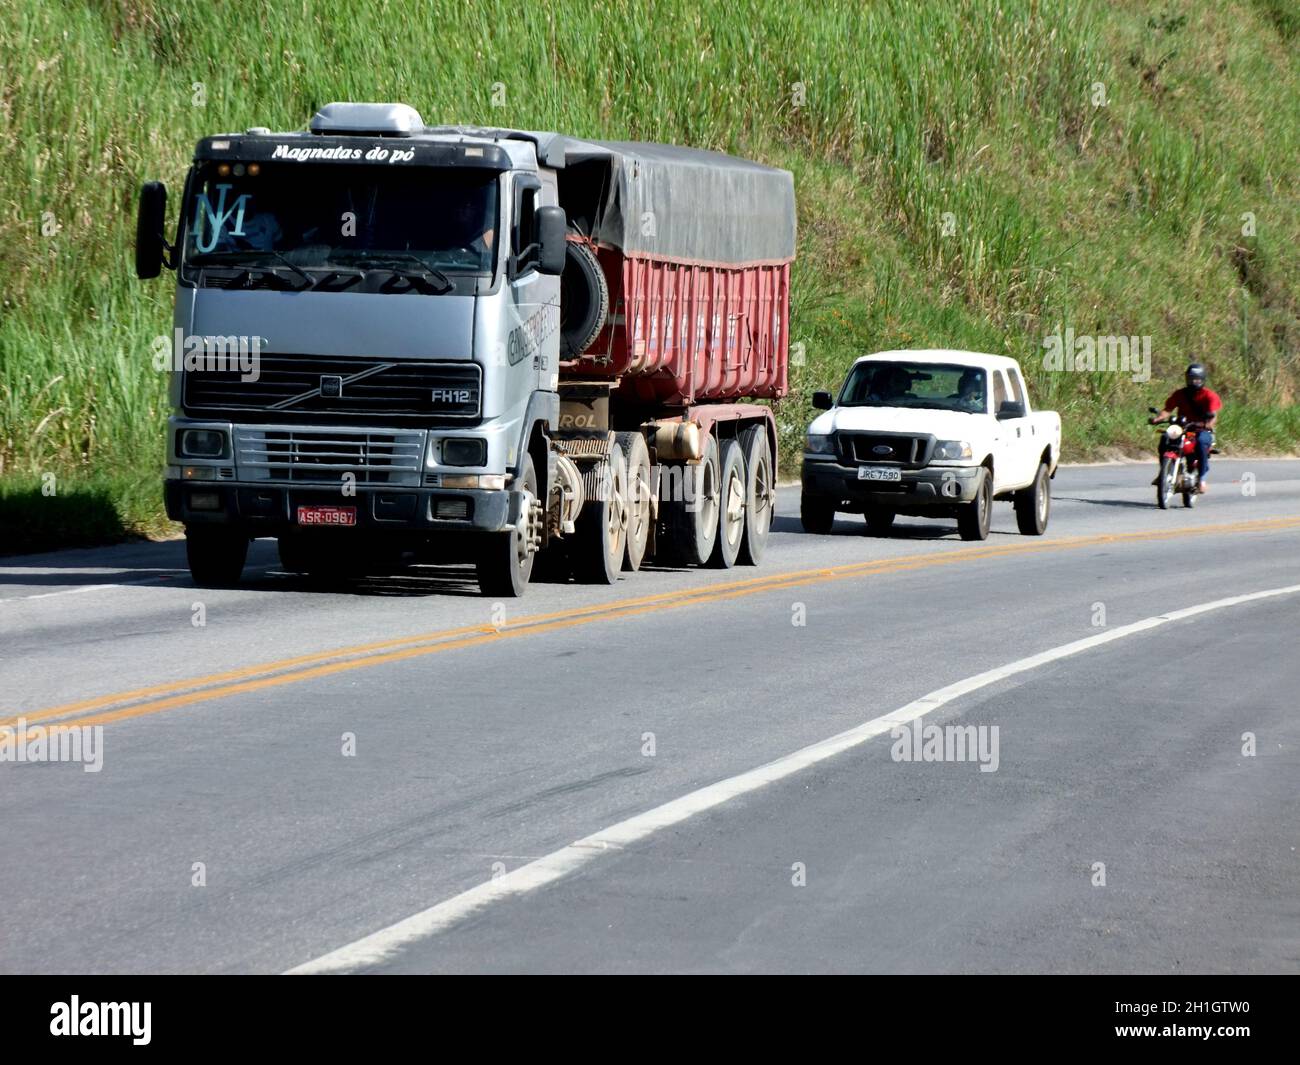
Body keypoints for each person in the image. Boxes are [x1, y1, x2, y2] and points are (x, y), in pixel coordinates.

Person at [1149, 362, 1221, 493]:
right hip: (1182, 428)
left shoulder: (1210, 396)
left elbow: (1213, 415)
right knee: (1165, 438)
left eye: (1197, 379)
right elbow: (1167, 410)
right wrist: (1157, 419)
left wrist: (1207, 424)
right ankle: (1163, 473)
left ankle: (1202, 479)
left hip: (1201, 429)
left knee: (1201, 443)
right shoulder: (1180, 394)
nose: (1193, 381)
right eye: (1191, 378)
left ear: (1202, 379)